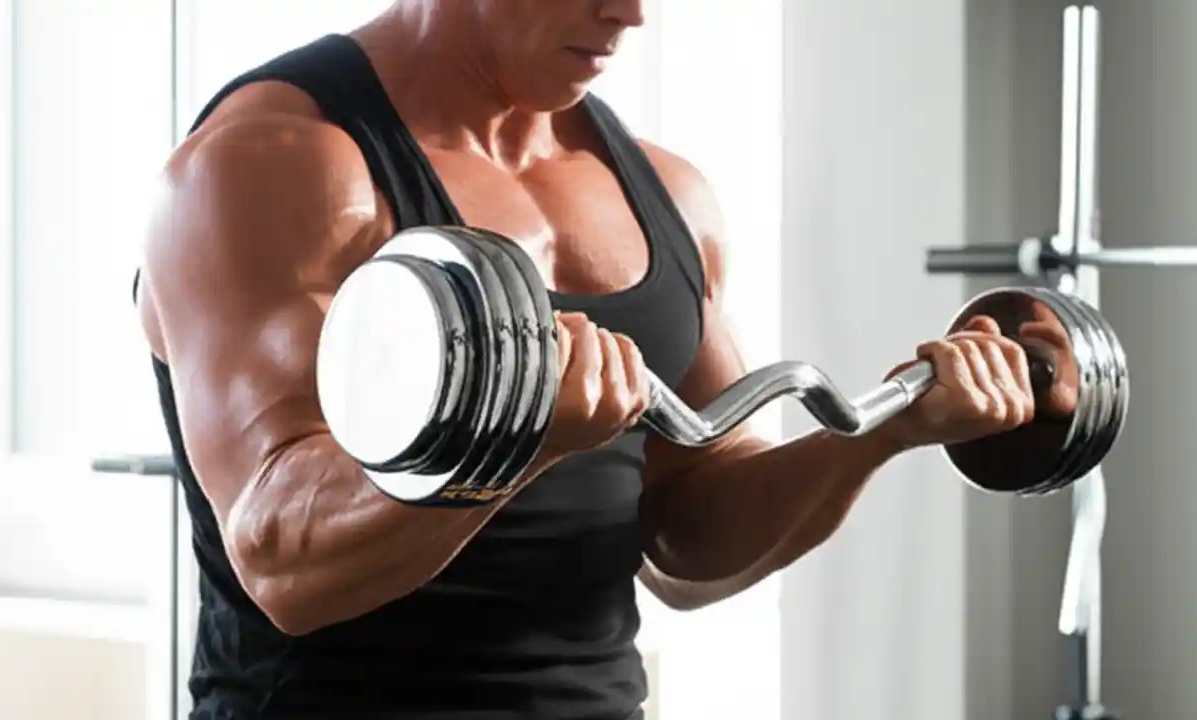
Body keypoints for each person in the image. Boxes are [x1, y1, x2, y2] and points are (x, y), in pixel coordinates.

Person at [134, 1, 1038, 717]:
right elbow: (281, 563)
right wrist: (522, 443)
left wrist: (884, 431)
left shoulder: (667, 192)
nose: (632, 13)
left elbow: (689, 540)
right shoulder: (272, 164)